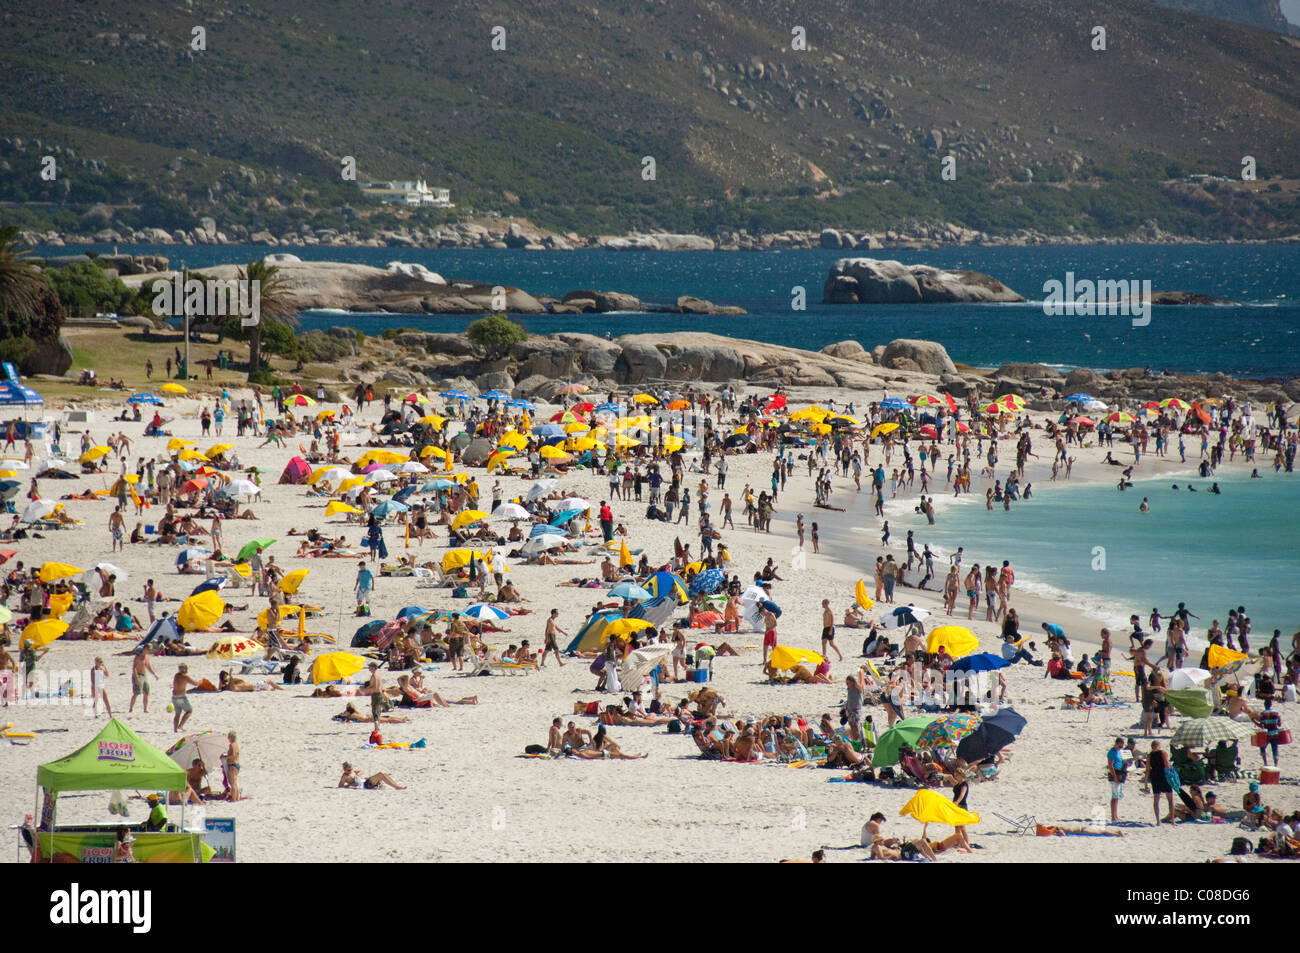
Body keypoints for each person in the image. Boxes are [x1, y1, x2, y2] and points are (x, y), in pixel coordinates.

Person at [1145, 740, 1176, 826]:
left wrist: (1146, 782)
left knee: (1156, 800)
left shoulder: (1149, 756)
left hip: (1155, 777)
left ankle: (1158, 821)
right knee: (1170, 800)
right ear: (1159, 746)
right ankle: (1173, 820)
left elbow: (1147, 770)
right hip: (1164, 777)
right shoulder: (1163, 753)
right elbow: (1167, 765)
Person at [172, 664, 199, 732]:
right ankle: (180, 726)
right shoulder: (185, 677)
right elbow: (195, 683)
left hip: (174, 697)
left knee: (177, 714)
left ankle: (175, 729)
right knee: (189, 711)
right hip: (181, 697)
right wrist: (200, 682)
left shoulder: (176, 675)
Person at [1257, 698, 1284, 766]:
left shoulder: (1263, 713)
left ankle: (1265, 763)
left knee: (1262, 747)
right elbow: (1279, 724)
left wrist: (1254, 721)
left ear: (1264, 705)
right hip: (1275, 733)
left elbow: (1262, 725)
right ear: (1271, 705)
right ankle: (1276, 764)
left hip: (1267, 734)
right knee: (1275, 750)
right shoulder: (1276, 713)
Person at [130, 646, 157, 714]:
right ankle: (131, 708)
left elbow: (148, 666)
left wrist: (154, 674)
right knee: (136, 693)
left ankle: (145, 709)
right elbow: (134, 668)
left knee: (146, 692)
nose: (149, 651)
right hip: (138, 675)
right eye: (148, 650)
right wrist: (136, 679)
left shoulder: (147, 656)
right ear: (144, 649)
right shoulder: (138, 657)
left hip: (144, 675)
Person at [338, 762, 405, 789]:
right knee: (381, 774)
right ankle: (397, 787)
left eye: (351, 769)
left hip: (365, 781)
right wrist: (350, 785)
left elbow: (361, 771)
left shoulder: (352, 771)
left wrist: (359, 774)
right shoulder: (345, 776)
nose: (350, 771)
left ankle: (396, 786)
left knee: (384, 774)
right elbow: (340, 786)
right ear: (344, 770)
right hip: (365, 785)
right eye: (348, 770)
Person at [1107, 737, 1126, 824]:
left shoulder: (1119, 752)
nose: (1121, 746)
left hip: (1120, 772)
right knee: (1114, 795)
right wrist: (1114, 776)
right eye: (1120, 744)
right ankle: (1113, 816)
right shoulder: (1112, 752)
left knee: (1117, 795)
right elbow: (1110, 765)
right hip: (1115, 773)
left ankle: (1116, 815)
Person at [225, 731, 241, 802]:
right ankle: (237, 798)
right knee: (235, 782)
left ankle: (234, 799)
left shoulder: (232, 745)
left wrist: (226, 757)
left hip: (232, 765)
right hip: (236, 764)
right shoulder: (236, 745)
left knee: (233, 783)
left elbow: (233, 755)